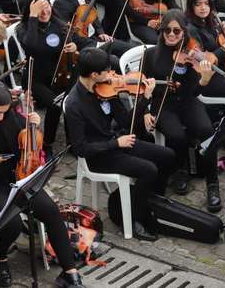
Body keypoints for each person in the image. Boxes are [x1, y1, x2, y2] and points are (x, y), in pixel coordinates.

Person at [0, 82, 85, 287]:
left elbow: (28, 143)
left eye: (4, 112)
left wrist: (34, 125)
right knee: (12, 223)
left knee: (50, 210)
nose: (1, 117)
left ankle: (70, 273)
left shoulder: (9, 117)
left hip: (13, 179)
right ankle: (0, 257)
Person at [63, 47, 175, 241]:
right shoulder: (75, 105)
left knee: (167, 155)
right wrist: (115, 143)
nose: (112, 75)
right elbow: (80, 148)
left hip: (117, 142)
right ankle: (133, 220)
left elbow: (125, 121)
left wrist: (144, 99)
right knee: (148, 170)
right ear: (94, 75)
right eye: (107, 71)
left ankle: (148, 200)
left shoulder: (106, 89)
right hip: (99, 155)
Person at [141, 9, 223, 210]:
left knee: (206, 131)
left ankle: (212, 184)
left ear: (184, 33)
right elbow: (141, 86)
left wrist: (203, 79)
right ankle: (180, 169)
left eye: (176, 31)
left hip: (187, 101)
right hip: (163, 104)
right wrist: (144, 111)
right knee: (176, 136)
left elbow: (194, 92)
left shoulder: (191, 55)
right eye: (166, 30)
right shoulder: (150, 55)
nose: (171, 35)